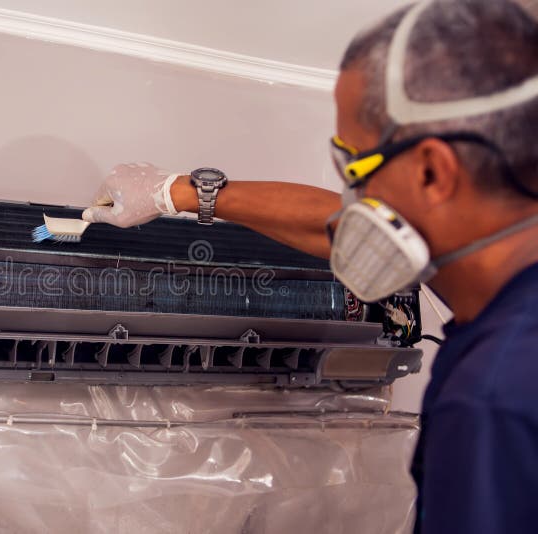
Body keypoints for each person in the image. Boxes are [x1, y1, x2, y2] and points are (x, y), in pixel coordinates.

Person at [81, 1, 538, 533]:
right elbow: (344, 226)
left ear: (433, 172)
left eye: (354, 165)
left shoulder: (493, 399)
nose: (351, 194)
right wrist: (173, 192)